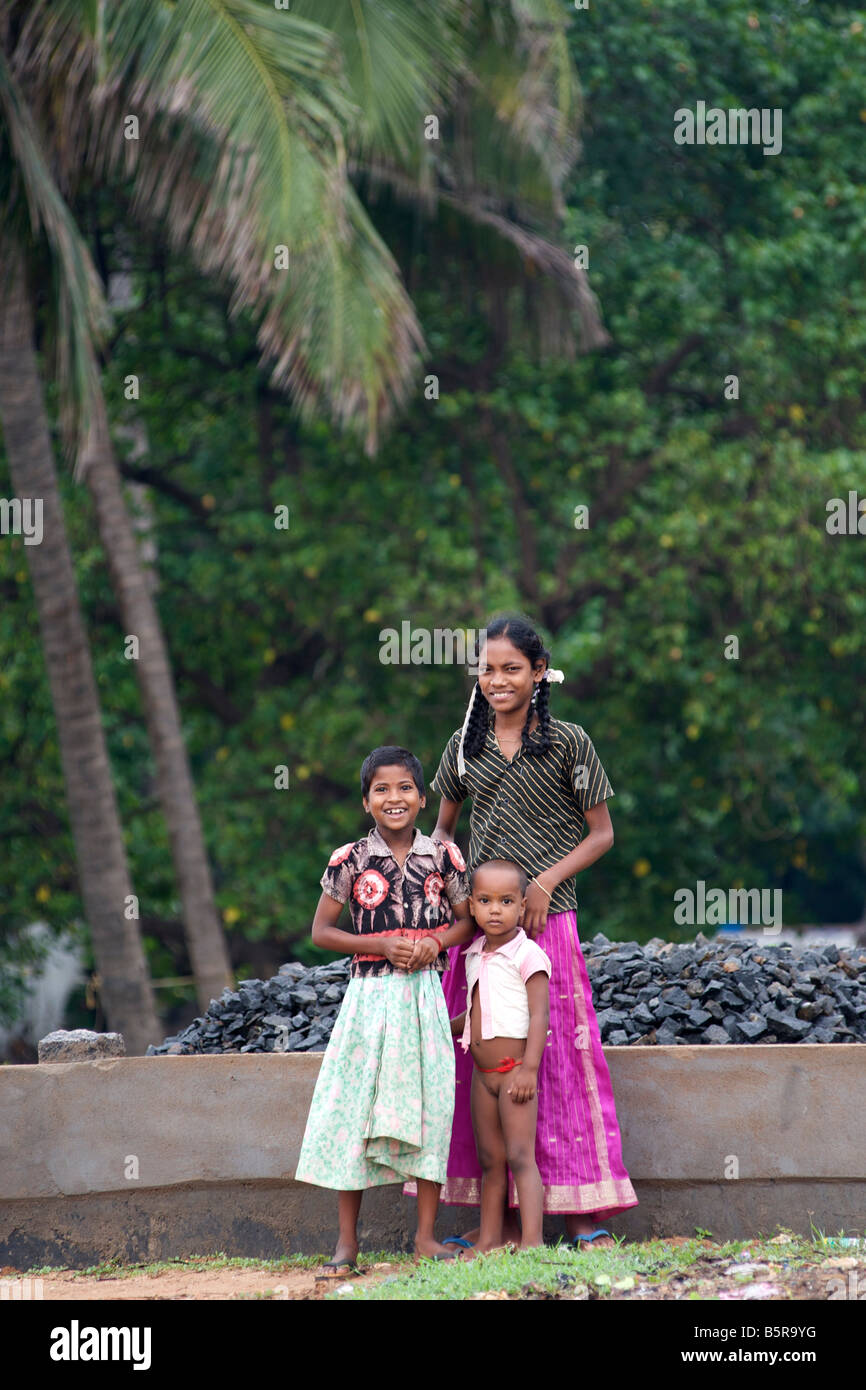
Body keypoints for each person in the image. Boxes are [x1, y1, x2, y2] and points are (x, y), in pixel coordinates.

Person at [406, 613, 638, 1249]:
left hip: (548, 924)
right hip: (479, 937)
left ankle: (579, 1213)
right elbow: (444, 833)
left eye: (512, 668)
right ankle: (498, 1220)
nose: (498, 680)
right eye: (488, 669)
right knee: (477, 1062)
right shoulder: (463, 747)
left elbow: (602, 834)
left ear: (540, 673)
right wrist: (455, 903)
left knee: (557, 1061)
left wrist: (542, 884)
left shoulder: (568, 742)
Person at [294, 745, 475, 1274]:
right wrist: (378, 946)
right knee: (355, 1109)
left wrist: (436, 943)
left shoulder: (446, 856)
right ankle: (346, 1244)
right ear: (367, 801)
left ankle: (425, 1237)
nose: (393, 798)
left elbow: (466, 920)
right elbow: (322, 932)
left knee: (431, 1106)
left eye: (404, 789)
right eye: (381, 789)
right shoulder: (348, 859)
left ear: (422, 798)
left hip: (425, 999)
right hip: (369, 1001)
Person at [448, 859, 551, 1254]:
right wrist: (441, 1026)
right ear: (471, 906)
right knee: (490, 1161)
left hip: (513, 1074)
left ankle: (531, 1242)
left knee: (520, 1155)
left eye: (506, 901)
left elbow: (540, 1015)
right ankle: (489, 1239)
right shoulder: (473, 954)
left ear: (522, 907)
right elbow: (474, 1012)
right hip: (482, 1076)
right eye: (486, 901)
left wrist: (529, 1069)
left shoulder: (528, 955)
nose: (495, 910)